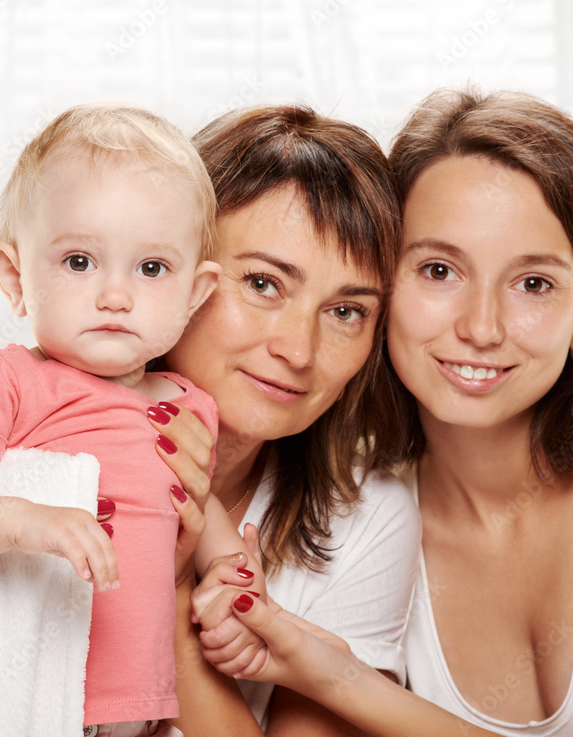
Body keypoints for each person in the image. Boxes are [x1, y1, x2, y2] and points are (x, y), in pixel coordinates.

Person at [197, 89, 573, 736]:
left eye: (533, 284)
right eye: (440, 270)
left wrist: (341, 677)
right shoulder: (369, 513)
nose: (481, 327)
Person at [0, 102, 266, 736]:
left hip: (146, 710)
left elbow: (189, 508)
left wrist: (232, 574)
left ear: (194, 294)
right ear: (14, 277)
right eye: (79, 262)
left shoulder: (185, 402)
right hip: (31, 699)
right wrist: (21, 519)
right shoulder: (6, 380)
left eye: (151, 269)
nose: (115, 296)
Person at [144, 104, 423, 736]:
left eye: (347, 311)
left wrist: (174, 594)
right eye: (265, 284)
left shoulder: (363, 520)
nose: (298, 351)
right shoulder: (13, 443)